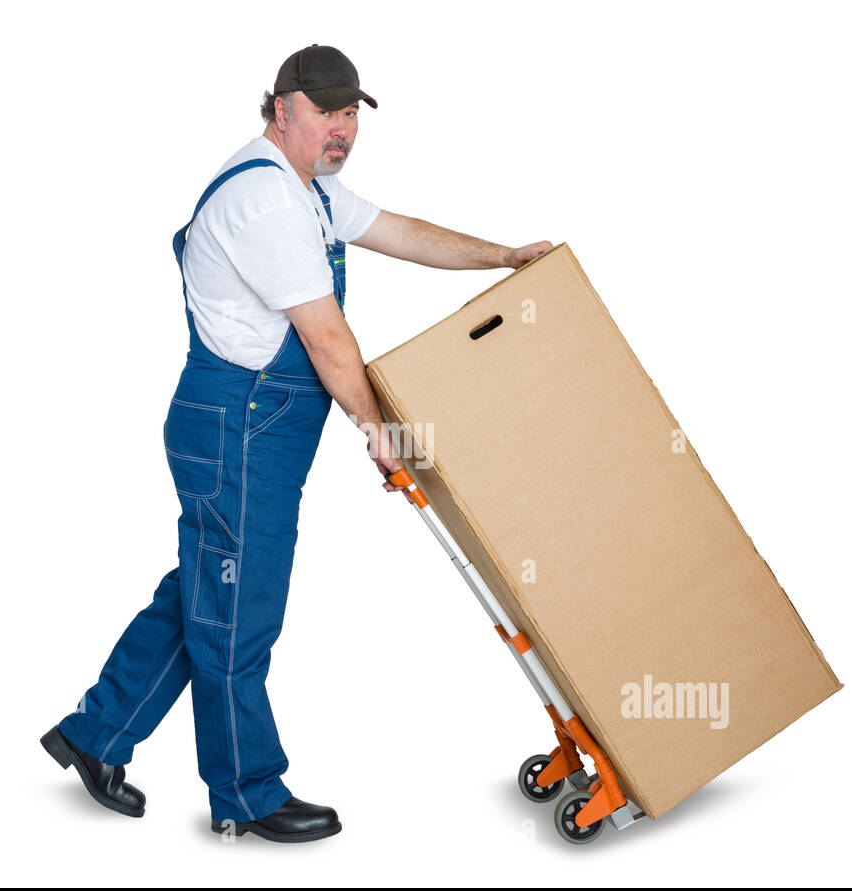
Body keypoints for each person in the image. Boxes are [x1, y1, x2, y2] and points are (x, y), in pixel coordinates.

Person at [41, 42, 553, 844]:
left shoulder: (307, 189)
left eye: (351, 112)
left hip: (254, 429)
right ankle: (245, 793)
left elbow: (401, 232)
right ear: (282, 108)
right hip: (238, 427)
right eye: (325, 111)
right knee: (241, 613)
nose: (341, 127)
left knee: (210, 593)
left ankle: (94, 733)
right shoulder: (269, 203)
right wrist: (381, 436)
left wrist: (502, 256)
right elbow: (325, 339)